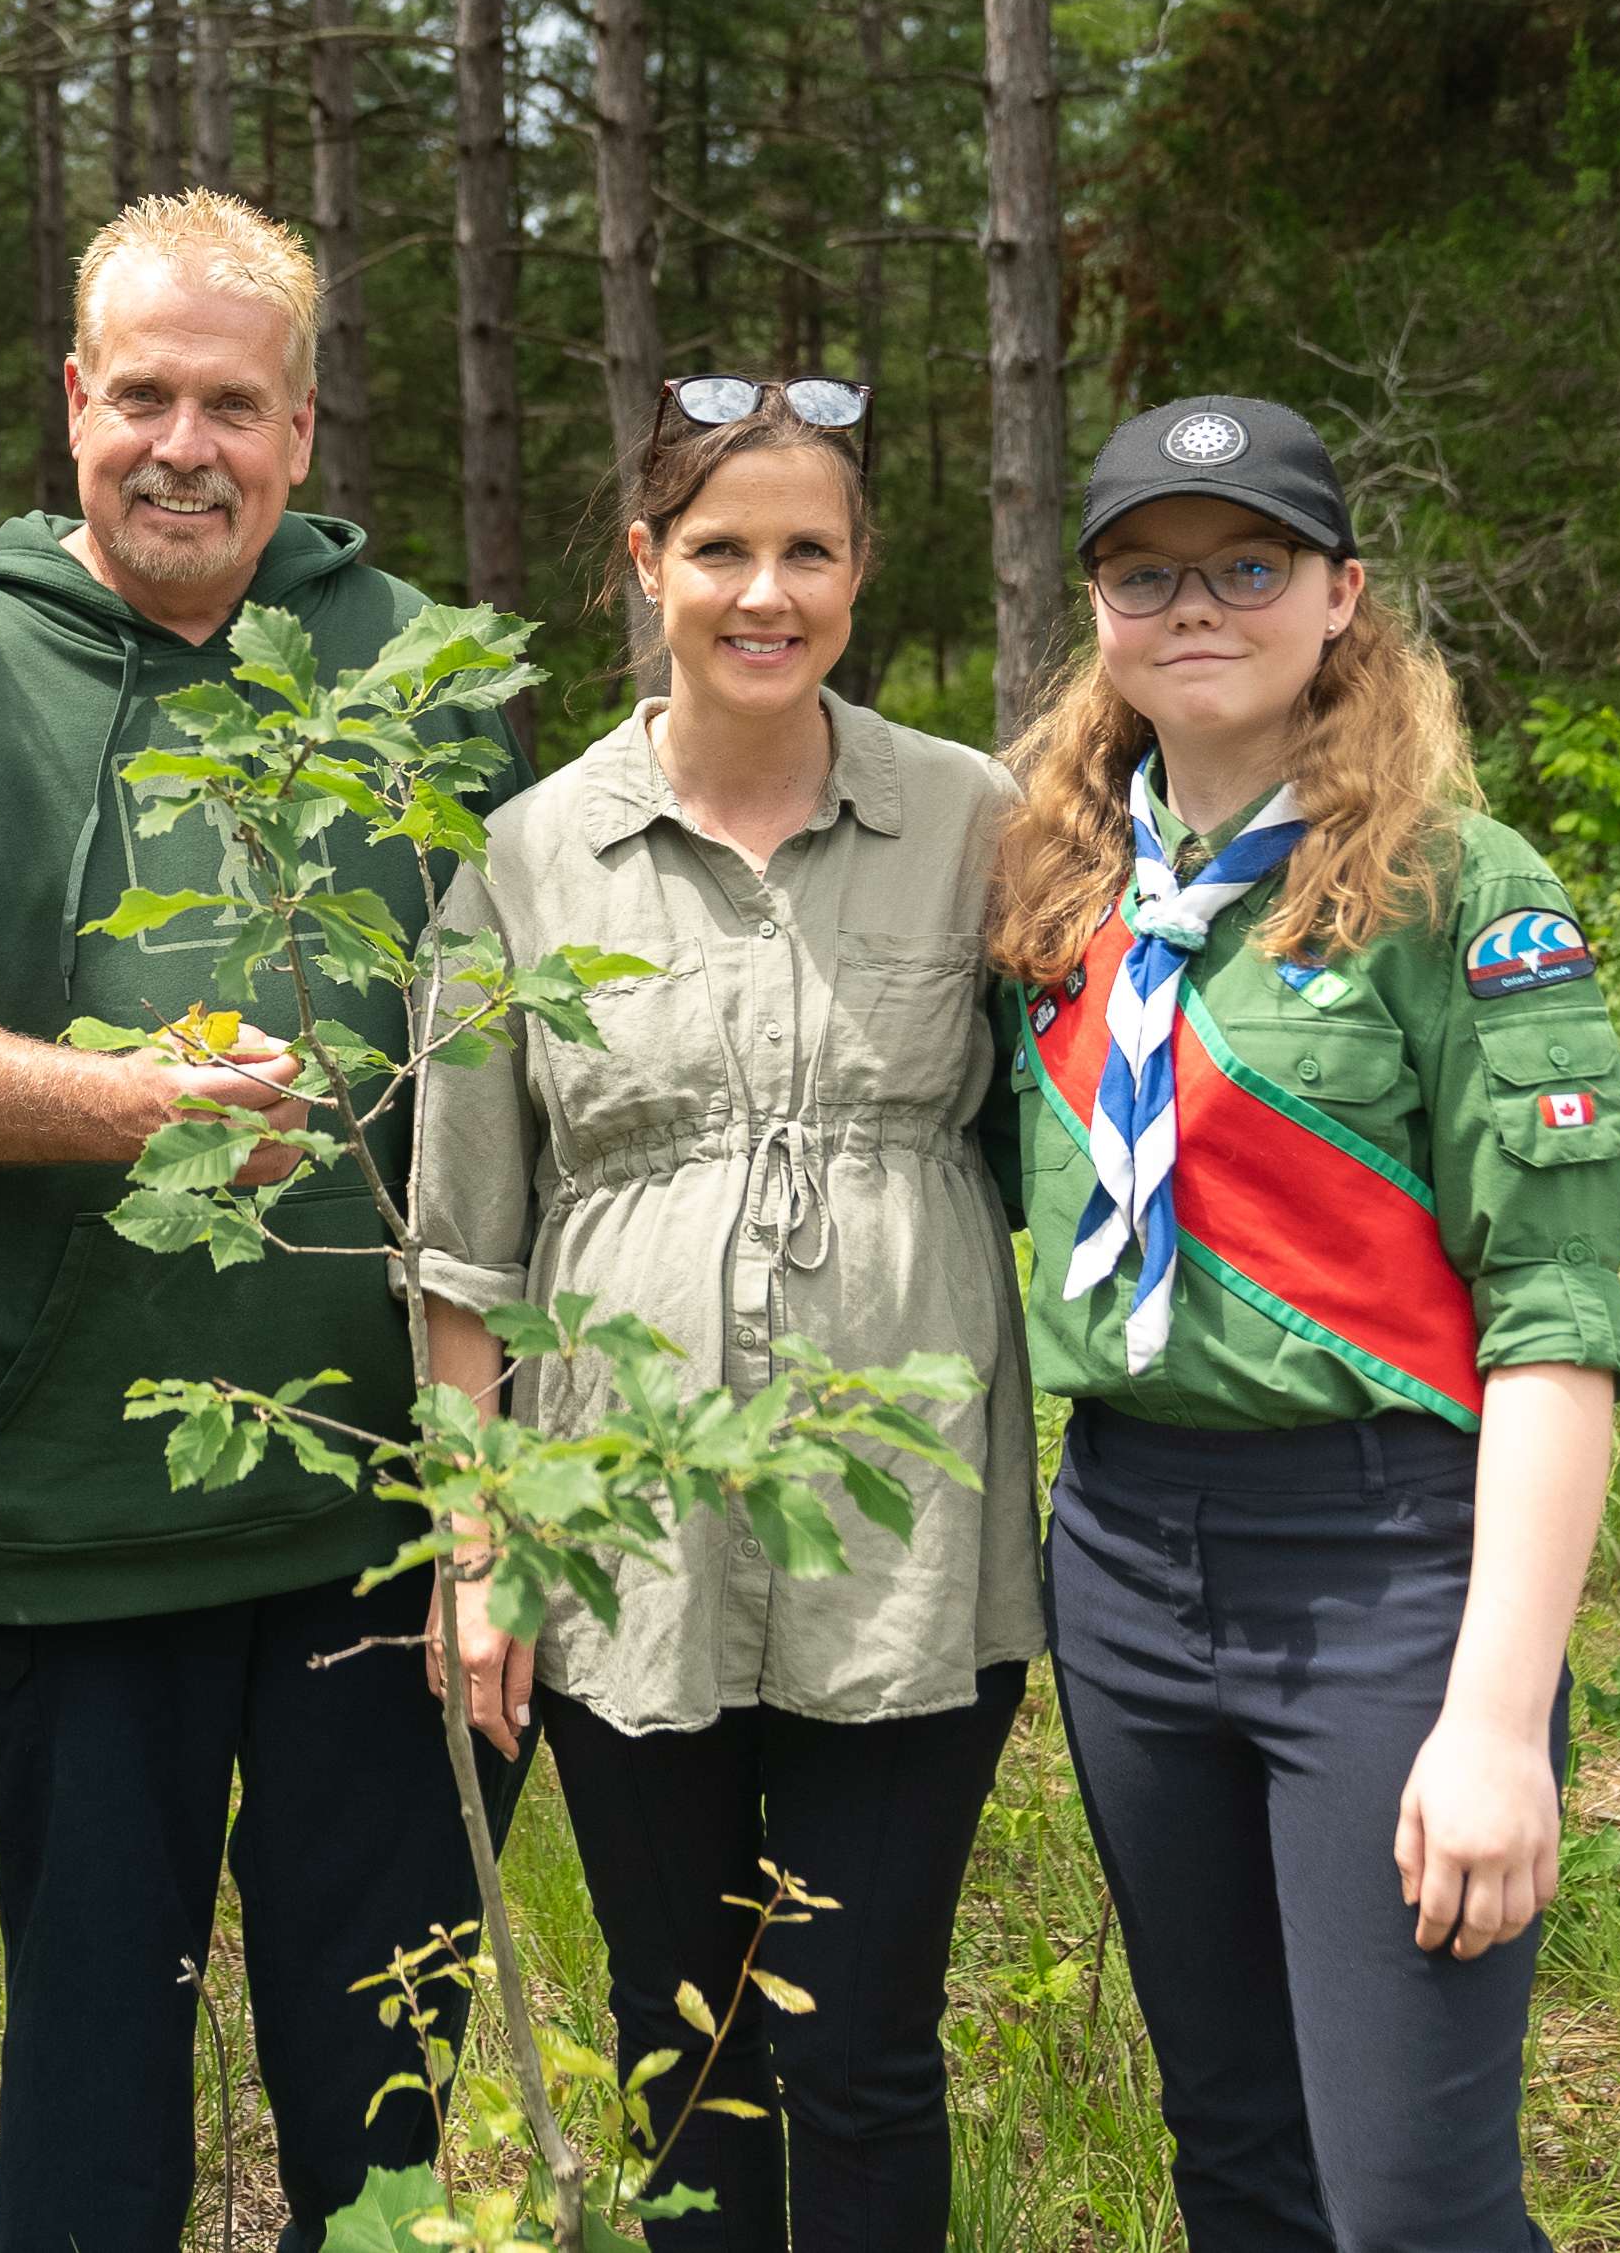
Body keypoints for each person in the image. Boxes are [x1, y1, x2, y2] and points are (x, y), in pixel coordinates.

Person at [0, 190, 510, 2253]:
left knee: (378, 2063)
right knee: (95, 2049)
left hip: (381, 1490)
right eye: (145, 395)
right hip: (70, 1500)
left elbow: (523, 1053)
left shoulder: (420, 674)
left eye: (234, 404)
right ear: (72, 401)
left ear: (300, 431)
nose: (184, 444)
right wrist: (133, 1108)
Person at [991, 395, 1620, 2252]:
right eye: (1146, 571)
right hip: (1119, 1554)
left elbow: (1553, 1318)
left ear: (1341, 593)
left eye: (1249, 564)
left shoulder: (1462, 889)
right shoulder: (1056, 888)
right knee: (1242, 2161)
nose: (1195, 604)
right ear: (1099, 611)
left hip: (1381, 1571)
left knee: (1408, 2205)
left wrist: (1498, 1716)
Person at [410, 378, 1040, 2251]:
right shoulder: (522, 856)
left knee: (860, 2042)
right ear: (644, 566)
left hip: (906, 1529)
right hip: (628, 1541)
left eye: (807, 549)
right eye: (719, 549)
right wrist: (481, 1545)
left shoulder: (974, 820)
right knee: (673, 2040)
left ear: (858, 570)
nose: (763, 591)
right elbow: (463, 1252)